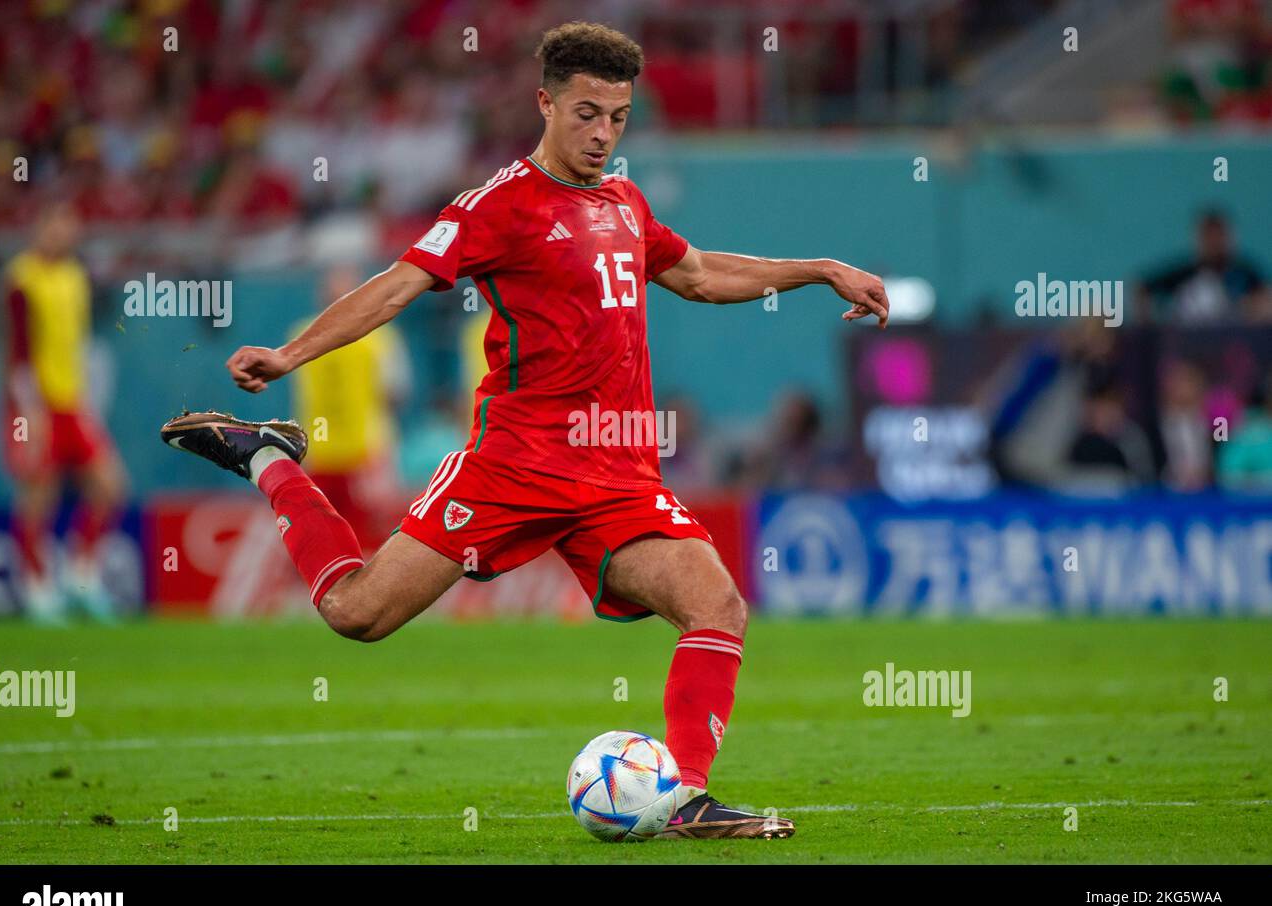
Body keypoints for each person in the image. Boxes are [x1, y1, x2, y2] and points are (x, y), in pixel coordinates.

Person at [162, 22, 887, 839]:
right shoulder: (499, 205)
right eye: (586, 113)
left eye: (617, 116)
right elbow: (399, 285)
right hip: (512, 466)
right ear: (545, 102)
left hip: (618, 476)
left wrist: (821, 268)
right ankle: (268, 457)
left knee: (716, 601)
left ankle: (682, 798)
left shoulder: (624, 201)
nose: (603, 133)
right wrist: (291, 353)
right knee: (356, 613)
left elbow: (699, 274)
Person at [0, 202, 128, 622]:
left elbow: (79, 346)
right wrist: (30, 410)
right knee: (40, 497)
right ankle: (38, 590)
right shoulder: (21, 279)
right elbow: (18, 352)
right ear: (40, 227)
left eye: (69, 227)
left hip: (73, 401)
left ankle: (81, 574)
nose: (63, 234)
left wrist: (87, 401)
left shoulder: (75, 277)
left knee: (111, 486)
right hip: (32, 403)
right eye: (56, 225)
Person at [292, 264, 409, 553]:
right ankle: (373, 591)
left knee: (320, 531)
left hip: (321, 448)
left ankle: (321, 590)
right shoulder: (378, 338)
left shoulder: (300, 335)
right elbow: (395, 394)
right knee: (371, 532)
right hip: (363, 449)